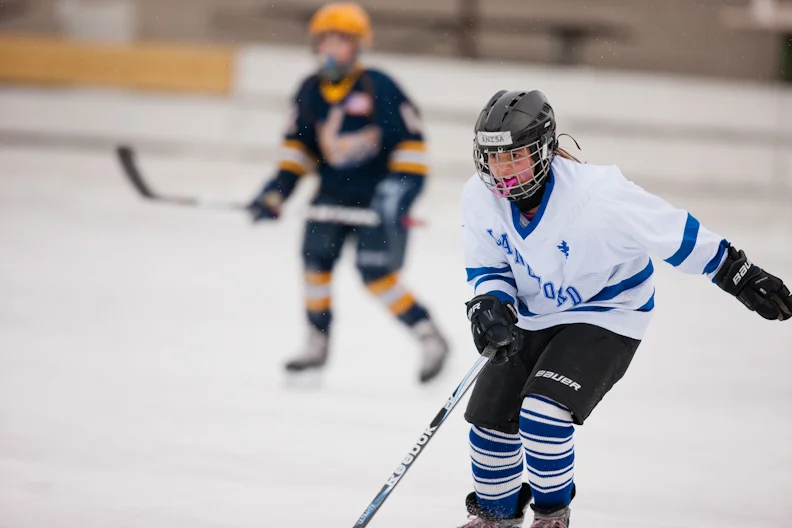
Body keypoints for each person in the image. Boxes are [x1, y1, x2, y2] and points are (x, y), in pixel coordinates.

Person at [458, 90, 791, 527]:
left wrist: (736, 272)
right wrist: (490, 305)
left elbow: (673, 231)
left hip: (606, 312)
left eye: (514, 157)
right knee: (488, 422)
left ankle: (551, 515)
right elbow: (489, 265)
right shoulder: (480, 197)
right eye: (493, 158)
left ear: (543, 150)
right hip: (534, 313)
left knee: (543, 415)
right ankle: (495, 517)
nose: (501, 171)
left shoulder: (598, 195)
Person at [247, 2, 449, 383]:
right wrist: (275, 193)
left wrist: (397, 194)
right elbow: (298, 153)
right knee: (314, 263)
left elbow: (412, 149)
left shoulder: (379, 86)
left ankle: (429, 336)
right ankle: (316, 341)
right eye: (325, 41)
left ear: (357, 46)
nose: (331, 49)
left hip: (377, 199)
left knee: (376, 273)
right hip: (332, 196)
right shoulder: (309, 91)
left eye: (340, 41)